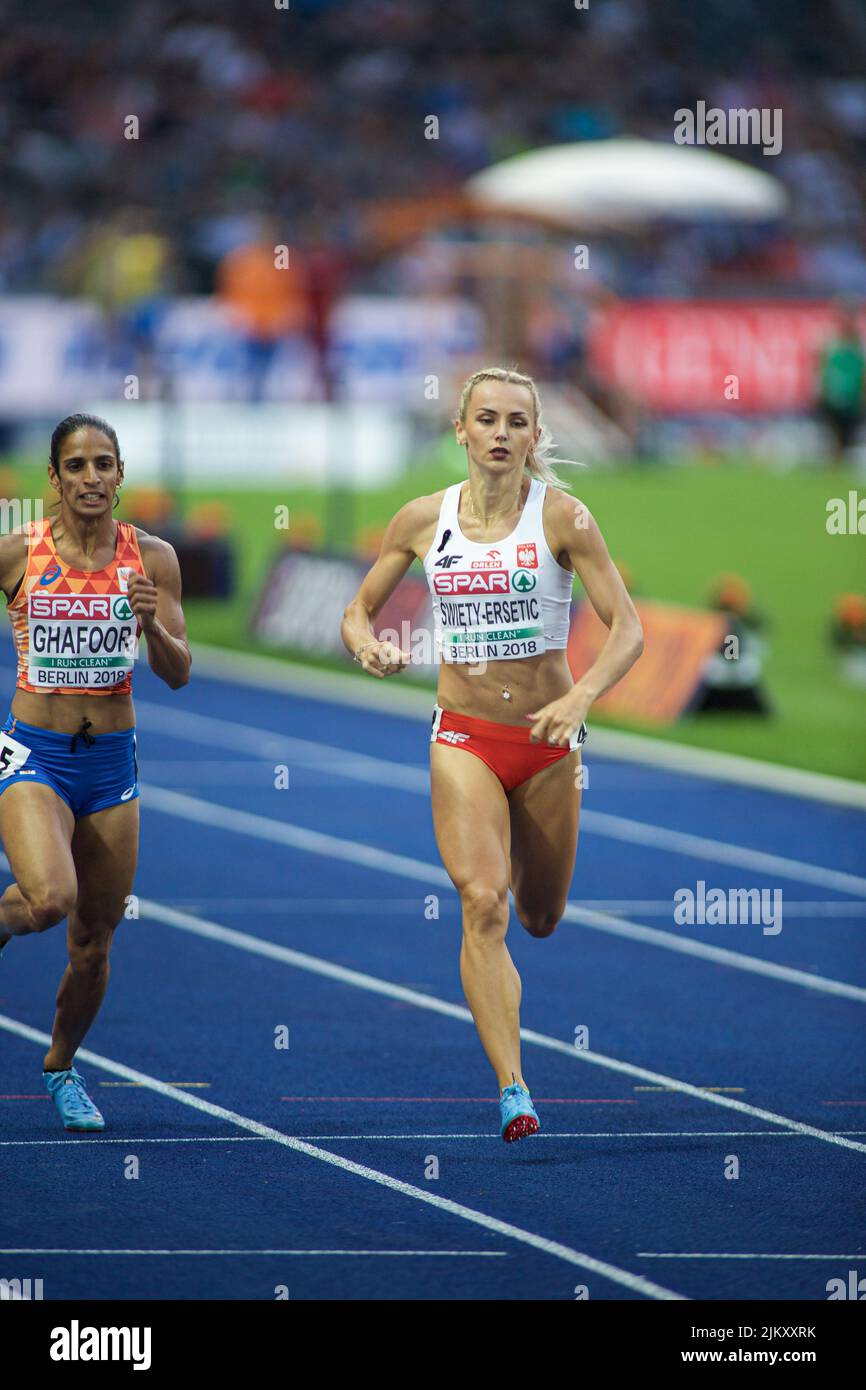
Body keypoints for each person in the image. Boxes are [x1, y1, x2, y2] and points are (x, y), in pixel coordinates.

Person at [341, 367, 643, 1142]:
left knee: (539, 917)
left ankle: (514, 1050)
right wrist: (367, 642)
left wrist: (580, 698)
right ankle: (513, 1085)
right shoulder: (421, 518)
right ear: (462, 431)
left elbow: (628, 628)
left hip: (546, 744)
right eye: (488, 419)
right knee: (483, 902)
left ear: (535, 436)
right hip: (463, 738)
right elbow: (357, 609)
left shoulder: (565, 519)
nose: (502, 433)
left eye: (517, 421)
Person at [0, 413, 191, 1131]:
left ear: (119, 474)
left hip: (112, 765)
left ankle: (59, 1066)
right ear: (53, 478)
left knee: (93, 940)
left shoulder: (153, 559)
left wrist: (154, 627)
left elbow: (177, 674)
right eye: (75, 466)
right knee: (48, 898)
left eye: (102, 464)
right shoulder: (18, 553)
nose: (90, 478)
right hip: (33, 756)